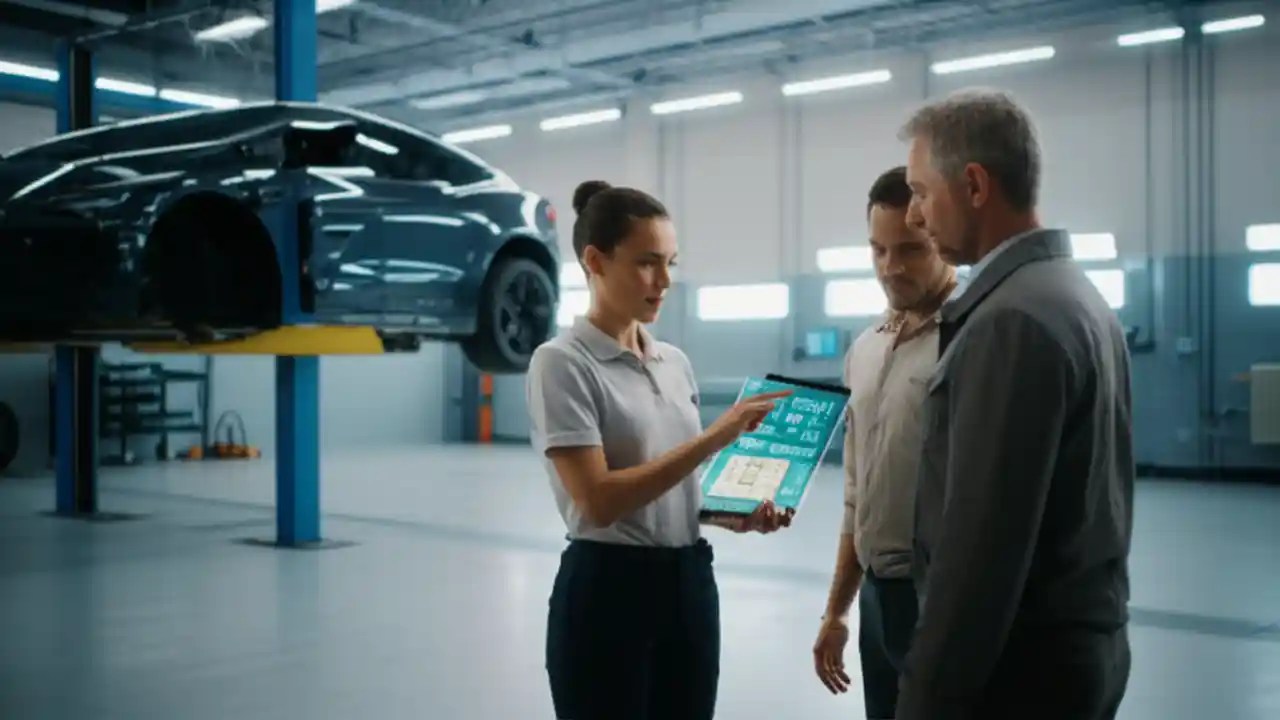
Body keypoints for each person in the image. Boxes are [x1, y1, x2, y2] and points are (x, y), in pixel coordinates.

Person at [895, 88, 1135, 719]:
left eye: (921, 192)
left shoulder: (1011, 321)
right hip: (1078, 654)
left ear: (974, 184)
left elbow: (980, 555)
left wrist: (924, 700)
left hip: (1018, 677)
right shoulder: (1076, 297)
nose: (914, 215)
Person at [525, 180, 794, 720]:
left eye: (671, 262)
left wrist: (728, 514)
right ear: (595, 261)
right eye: (648, 263)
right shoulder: (562, 364)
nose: (665, 281)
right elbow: (597, 502)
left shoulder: (673, 361)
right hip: (607, 588)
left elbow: (675, 489)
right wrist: (717, 436)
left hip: (689, 581)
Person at [811, 166, 958, 719]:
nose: (890, 268)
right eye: (877, 250)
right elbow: (857, 492)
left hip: (941, 601)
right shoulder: (866, 350)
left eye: (910, 249)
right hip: (878, 598)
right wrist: (837, 611)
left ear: (940, 239)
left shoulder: (971, 339)